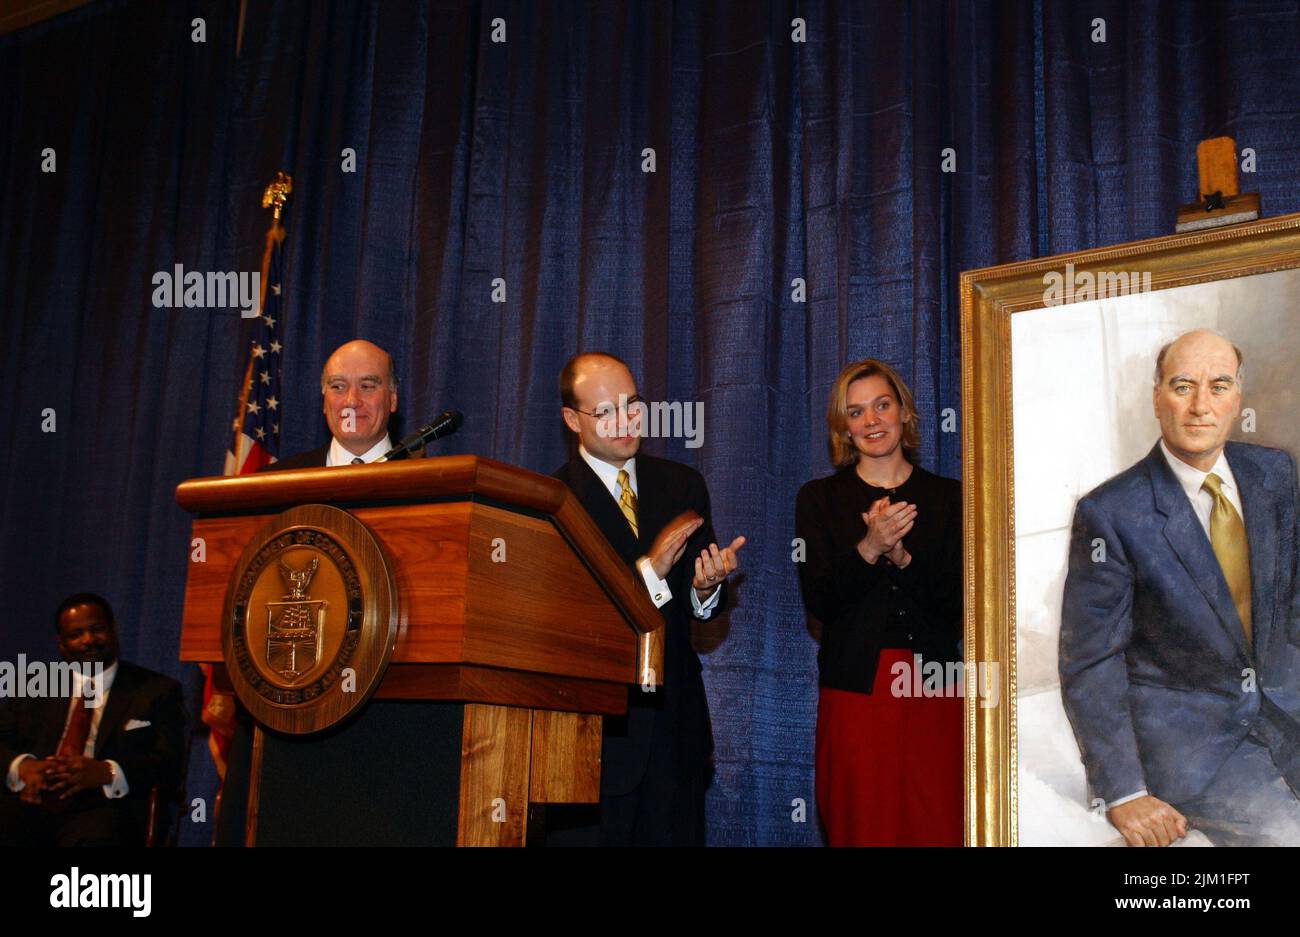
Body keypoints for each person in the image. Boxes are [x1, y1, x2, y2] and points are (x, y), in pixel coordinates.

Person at [1060, 329, 1300, 847]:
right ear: (1156, 397)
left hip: (1287, 717)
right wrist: (1124, 792)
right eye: (1182, 385)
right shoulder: (1111, 513)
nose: (1199, 406)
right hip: (1197, 750)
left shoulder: (1274, 474)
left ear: (1238, 397)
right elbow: (1090, 662)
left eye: (1218, 386)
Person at [551, 352, 745, 845]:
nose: (625, 421)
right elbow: (570, 619)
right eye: (605, 412)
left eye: (632, 405)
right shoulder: (553, 500)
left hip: (675, 735)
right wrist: (650, 569)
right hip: (595, 742)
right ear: (573, 420)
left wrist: (705, 589)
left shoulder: (681, 484)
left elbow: (698, 607)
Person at [794, 358, 962, 846]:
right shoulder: (819, 500)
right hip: (856, 692)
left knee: (939, 822)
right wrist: (868, 548)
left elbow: (957, 607)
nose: (871, 421)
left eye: (882, 405)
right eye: (855, 412)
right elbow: (820, 600)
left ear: (904, 412)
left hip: (935, 688)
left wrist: (904, 556)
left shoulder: (950, 498)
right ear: (842, 428)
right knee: (862, 824)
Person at [0, 593, 186, 846]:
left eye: (96, 630)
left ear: (113, 632)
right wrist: (22, 766)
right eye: (76, 635)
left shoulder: (157, 690)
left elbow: (170, 765)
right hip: (35, 802)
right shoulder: (34, 686)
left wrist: (107, 771)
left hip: (107, 807)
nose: (88, 640)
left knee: (98, 834)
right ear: (62, 645)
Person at [267, 339, 401, 469]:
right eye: (338, 387)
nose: (351, 402)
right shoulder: (272, 483)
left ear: (393, 398)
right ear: (324, 401)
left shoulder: (421, 480)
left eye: (366, 386)